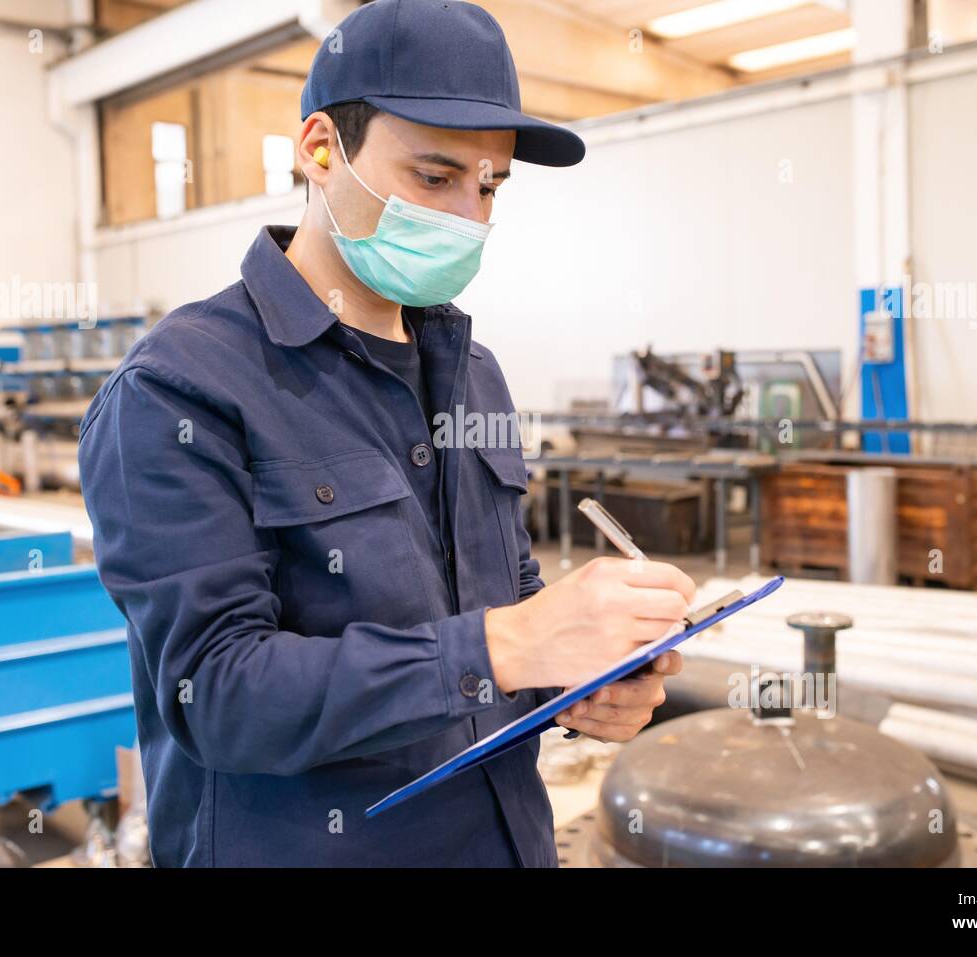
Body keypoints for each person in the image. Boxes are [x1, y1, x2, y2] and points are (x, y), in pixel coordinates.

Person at [78, 0, 695, 867]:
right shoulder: (181, 389)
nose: (468, 218)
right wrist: (510, 644)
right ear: (321, 149)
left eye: (490, 186)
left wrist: (574, 683)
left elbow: (501, 609)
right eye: (435, 177)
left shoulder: (472, 374)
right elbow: (217, 694)